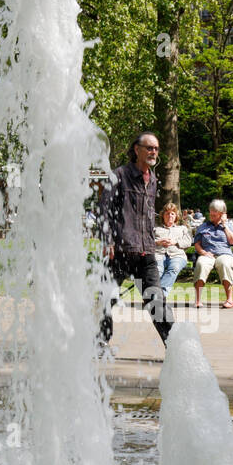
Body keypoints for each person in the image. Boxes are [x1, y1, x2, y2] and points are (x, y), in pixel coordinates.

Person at [97, 131, 174, 347]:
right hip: (119, 250)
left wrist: (153, 240)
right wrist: (107, 241)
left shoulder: (153, 179)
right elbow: (104, 210)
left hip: (146, 252)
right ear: (136, 149)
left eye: (156, 148)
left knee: (156, 300)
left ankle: (175, 345)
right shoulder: (119, 175)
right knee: (105, 299)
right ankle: (99, 341)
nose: (153, 152)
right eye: (149, 147)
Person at [193, 199, 233, 309]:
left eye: (215, 211)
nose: (211, 213)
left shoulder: (228, 225)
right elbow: (197, 244)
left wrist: (224, 225)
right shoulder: (203, 226)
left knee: (224, 264)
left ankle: (229, 299)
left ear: (222, 214)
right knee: (201, 264)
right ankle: (198, 300)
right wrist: (203, 252)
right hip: (208, 254)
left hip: (225, 254)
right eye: (211, 210)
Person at [153, 204, 192, 295]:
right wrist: (158, 242)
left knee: (174, 268)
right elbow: (148, 241)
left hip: (177, 255)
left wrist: (176, 242)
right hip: (158, 254)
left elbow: (188, 242)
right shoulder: (156, 229)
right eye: (167, 213)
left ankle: (159, 296)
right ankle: (156, 297)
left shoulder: (182, 229)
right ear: (163, 215)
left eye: (172, 214)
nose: (170, 216)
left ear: (176, 216)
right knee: (157, 271)